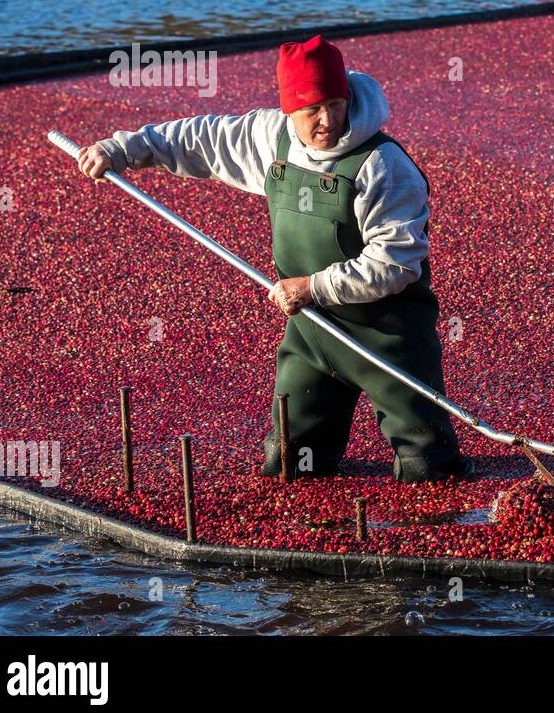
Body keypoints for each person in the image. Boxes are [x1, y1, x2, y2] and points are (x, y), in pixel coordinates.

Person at [76, 35, 471, 483]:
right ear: (288, 110)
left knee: (428, 472)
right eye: (311, 110)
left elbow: (395, 263)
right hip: (312, 335)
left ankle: (428, 482)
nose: (326, 120)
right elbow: (201, 140)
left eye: (335, 105)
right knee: (289, 464)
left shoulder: (383, 165)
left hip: (387, 335)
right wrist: (123, 150)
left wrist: (311, 287)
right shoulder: (273, 138)